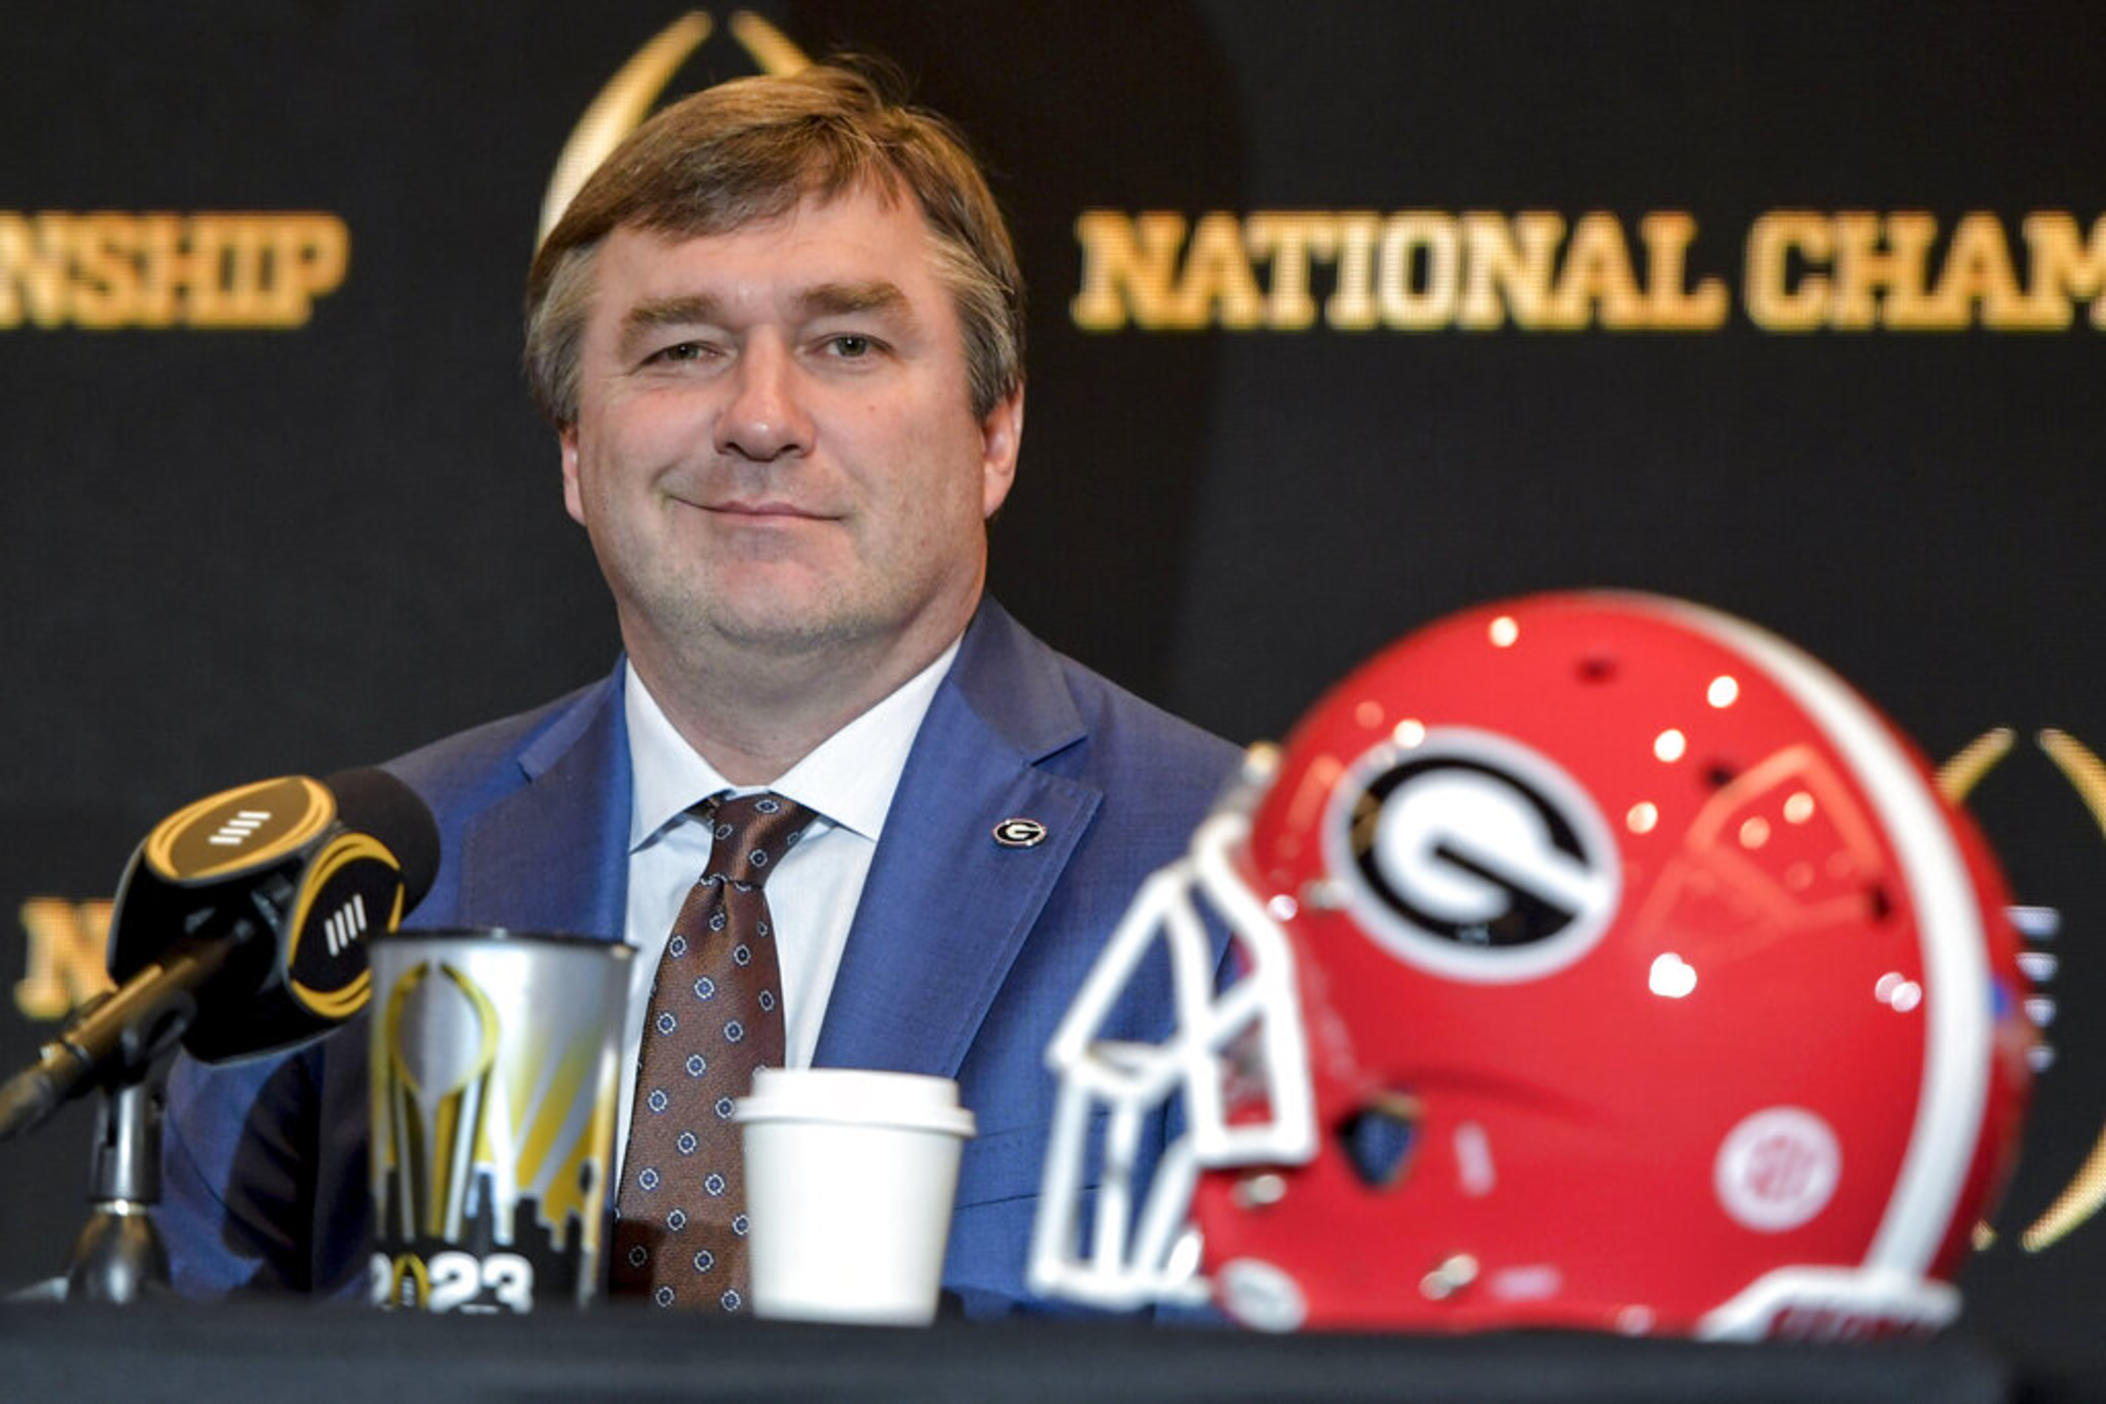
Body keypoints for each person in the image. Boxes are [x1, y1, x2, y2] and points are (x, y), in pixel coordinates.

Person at [156, 61, 1239, 1317]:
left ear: (995, 433)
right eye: (682, 349)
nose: (761, 419)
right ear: (575, 450)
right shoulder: (360, 894)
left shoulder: (1233, 877)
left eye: (847, 342)